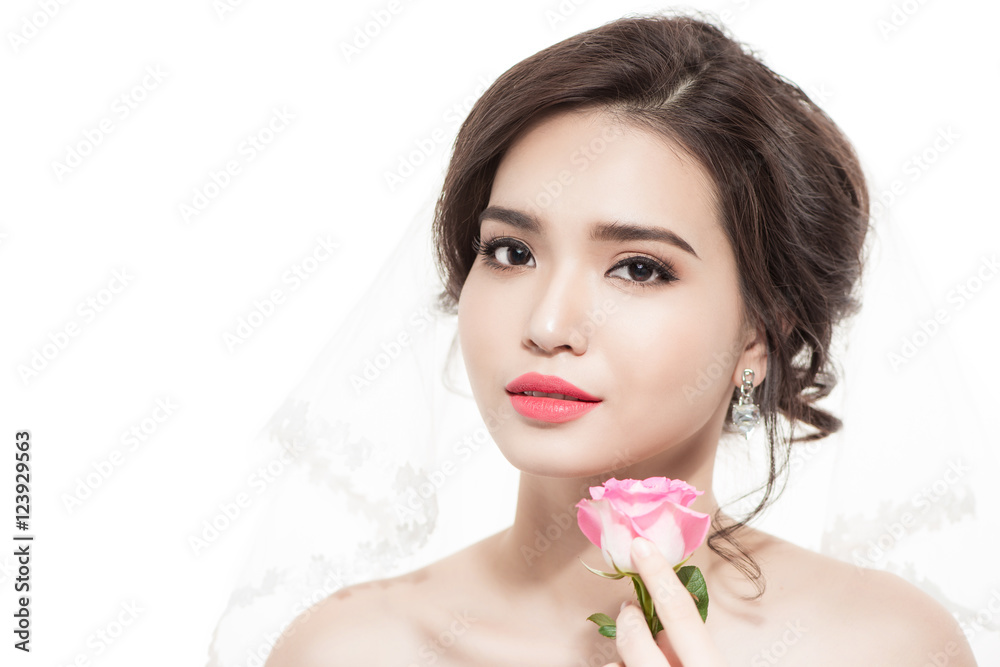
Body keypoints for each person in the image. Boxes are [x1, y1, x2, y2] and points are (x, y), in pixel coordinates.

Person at [246, 12, 979, 666]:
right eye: (510, 252)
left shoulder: (881, 646)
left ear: (761, 333)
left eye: (637, 268)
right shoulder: (349, 649)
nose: (548, 325)